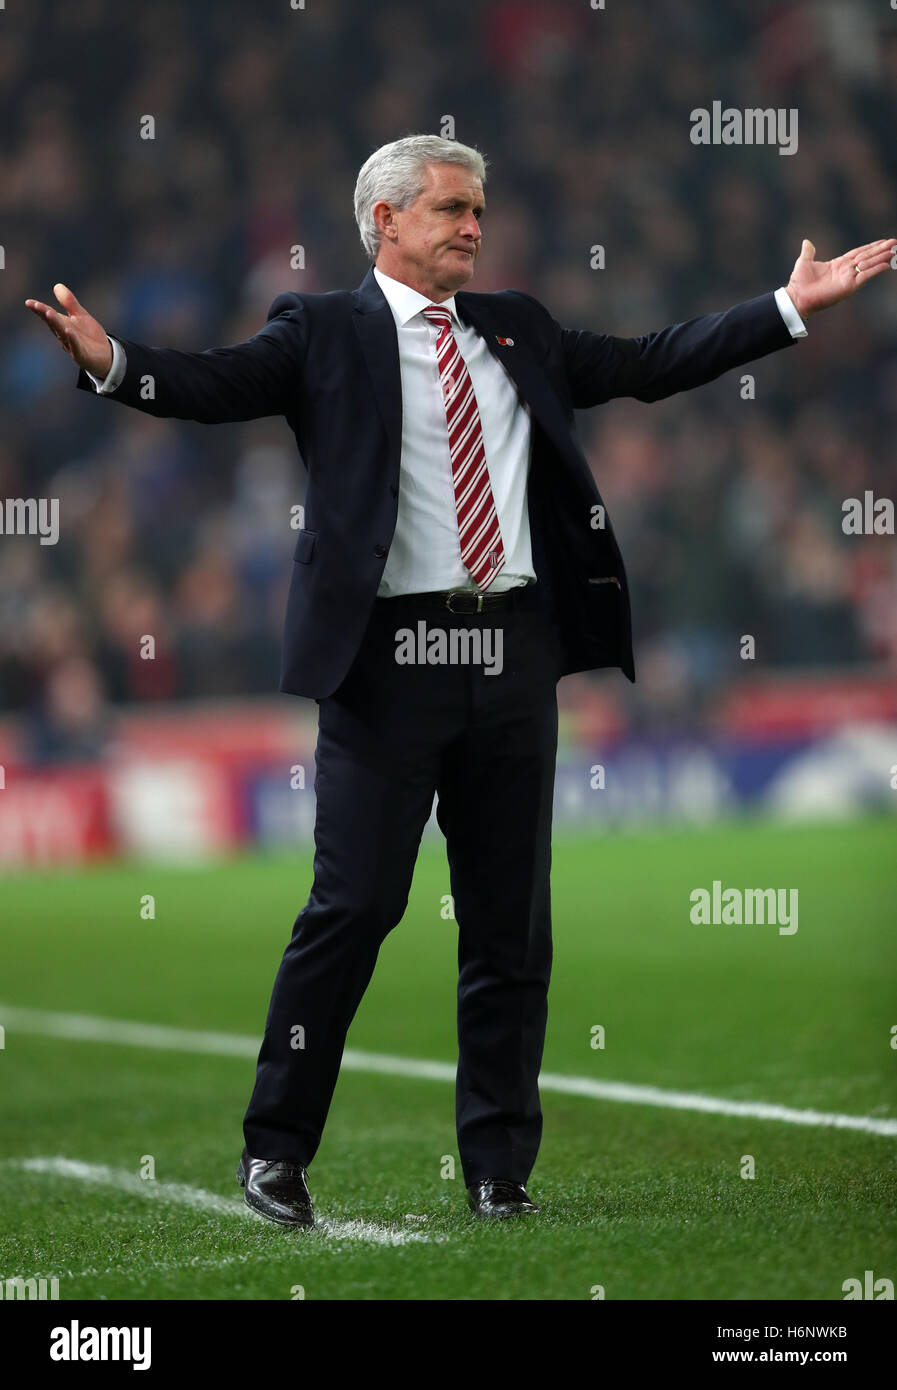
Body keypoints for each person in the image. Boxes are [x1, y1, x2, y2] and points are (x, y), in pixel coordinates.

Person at [26, 134, 895, 1227]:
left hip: (512, 653)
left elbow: (648, 361)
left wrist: (785, 305)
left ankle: (497, 1170)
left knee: (509, 928)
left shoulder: (517, 324)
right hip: (386, 666)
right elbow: (210, 387)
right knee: (353, 907)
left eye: (478, 209)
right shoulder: (322, 329)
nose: (474, 227)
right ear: (385, 222)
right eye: (450, 210)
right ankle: (276, 1149)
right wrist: (113, 361)